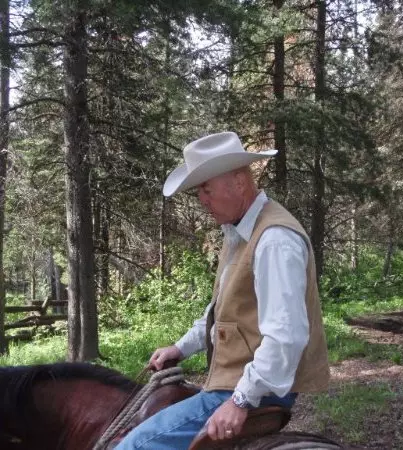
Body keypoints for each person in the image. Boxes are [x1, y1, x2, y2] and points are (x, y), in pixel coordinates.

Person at [115, 131, 330, 450]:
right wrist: (181, 348)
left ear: (239, 182)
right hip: (235, 385)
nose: (202, 200)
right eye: (198, 191)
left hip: (252, 391)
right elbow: (224, 313)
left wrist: (241, 401)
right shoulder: (240, 233)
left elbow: (287, 336)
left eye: (206, 188)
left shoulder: (273, 240)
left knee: (132, 447)